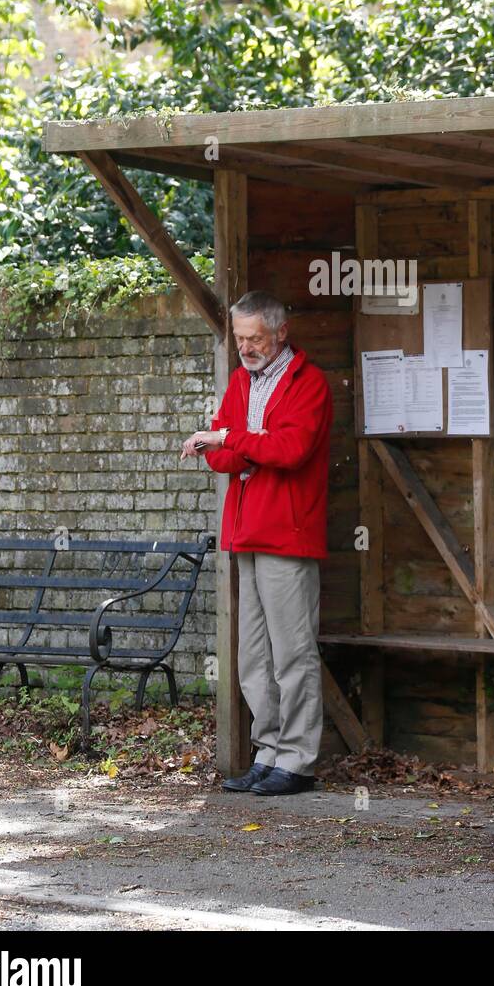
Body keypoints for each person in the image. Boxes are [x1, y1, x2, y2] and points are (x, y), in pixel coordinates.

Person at [181, 291, 333, 796]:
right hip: (246, 532)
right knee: (253, 659)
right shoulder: (241, 382)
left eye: (255, 338)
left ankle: (298, 760)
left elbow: (289, 450)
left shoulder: (307, 383)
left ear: (281, 333)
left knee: (293, 655)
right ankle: (268, 752)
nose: (245, 347)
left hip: (287, 535)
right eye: (240, 338)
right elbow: (222, 459)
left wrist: (232, 439)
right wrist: (244, 441)